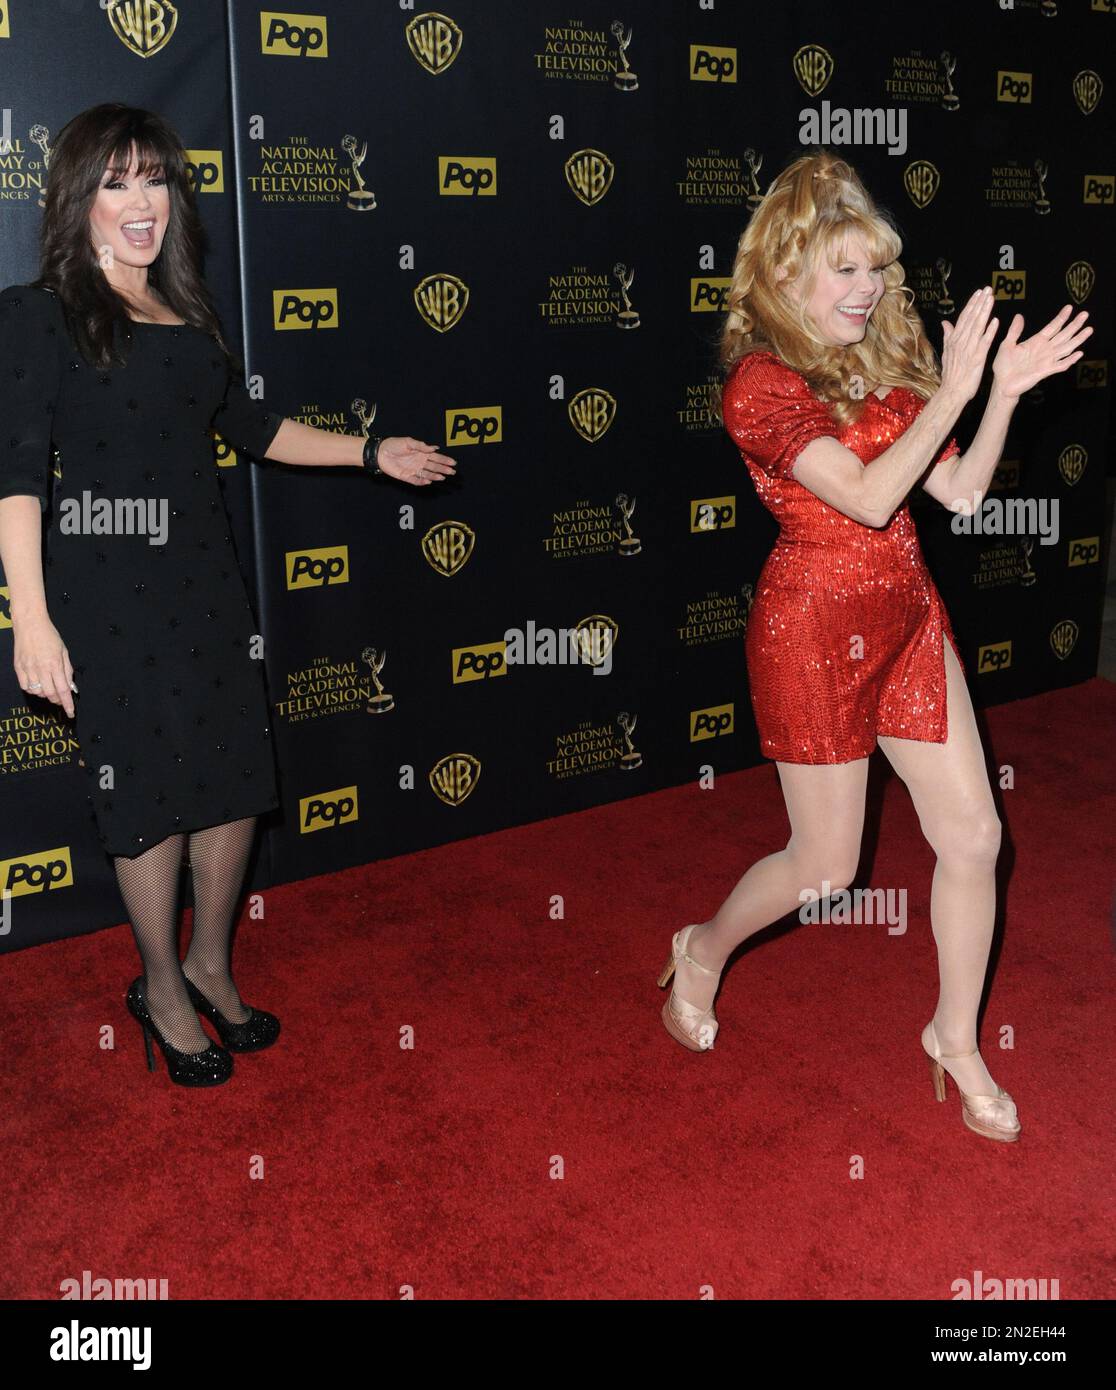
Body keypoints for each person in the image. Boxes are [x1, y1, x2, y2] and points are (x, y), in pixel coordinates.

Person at [0, 104, 456, 1087]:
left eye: (154, 179)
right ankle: (161, 985)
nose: (141, 201)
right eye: (116, 181)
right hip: (105, 585)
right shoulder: (39, 313)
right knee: (150, 795)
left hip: (205, 575)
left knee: (232, 777)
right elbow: (18, 475)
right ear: (78, 199)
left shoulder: (190, 311)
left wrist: (374, 451)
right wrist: (31, 617)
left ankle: (211, 956)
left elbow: (254, 427)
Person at [657, 151, 1091, 1143]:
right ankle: (702, 948)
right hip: (812, 626)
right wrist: (953, 391)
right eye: (846, 269)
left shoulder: (884, 364)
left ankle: (954, 1034)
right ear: (787, 270)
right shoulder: (759, 386)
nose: (869, 290)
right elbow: (860, 497)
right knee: (826, 869)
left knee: (977, 836)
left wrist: (1007, 392)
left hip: (907, 618)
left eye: (878, 270)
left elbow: (960, 495)